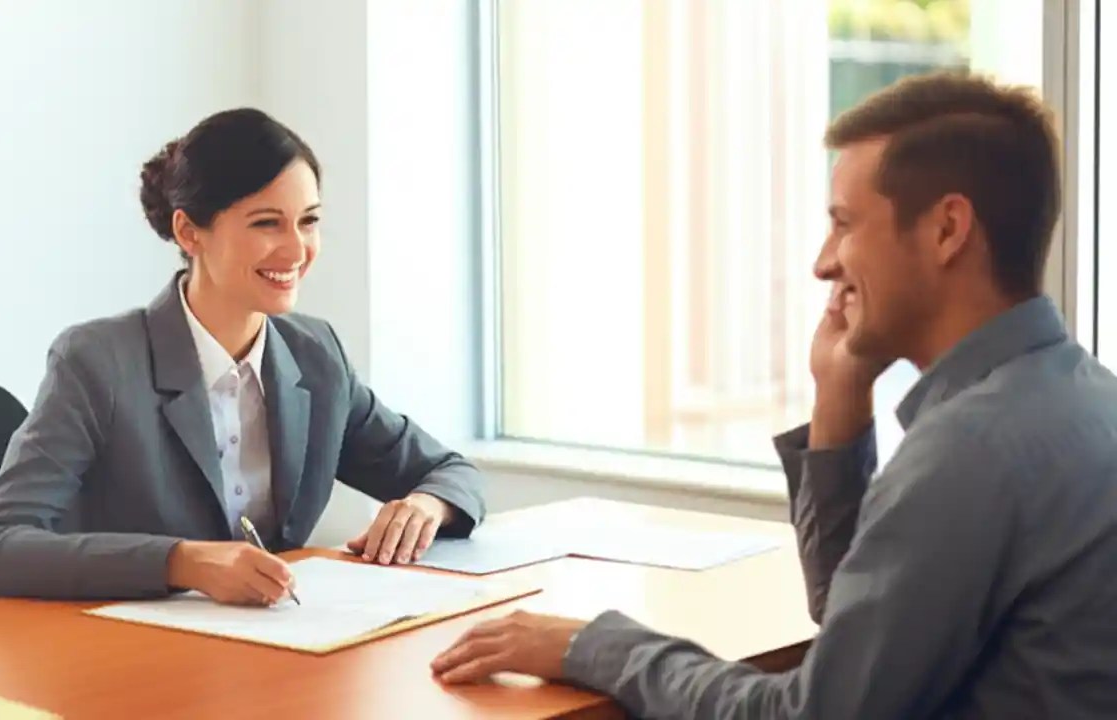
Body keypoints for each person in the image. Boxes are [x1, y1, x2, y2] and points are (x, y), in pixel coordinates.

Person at [432, 72, 1117, 717]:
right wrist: (840, 395)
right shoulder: (1083, 402)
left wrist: (595, 645)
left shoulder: (968, 453)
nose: (824, 262)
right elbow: (857, 633)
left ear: (947, 230)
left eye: (844, 223)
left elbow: (811, 712)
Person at [0, 108, 484, 605]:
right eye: (266, 223)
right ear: (189, 232)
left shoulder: (315, 355)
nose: (296, 250)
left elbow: (448, 471)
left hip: (274, 645)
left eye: (308, 221)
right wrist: (180, 562)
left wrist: (425, 506)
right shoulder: (99, 363)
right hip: (126, 650)